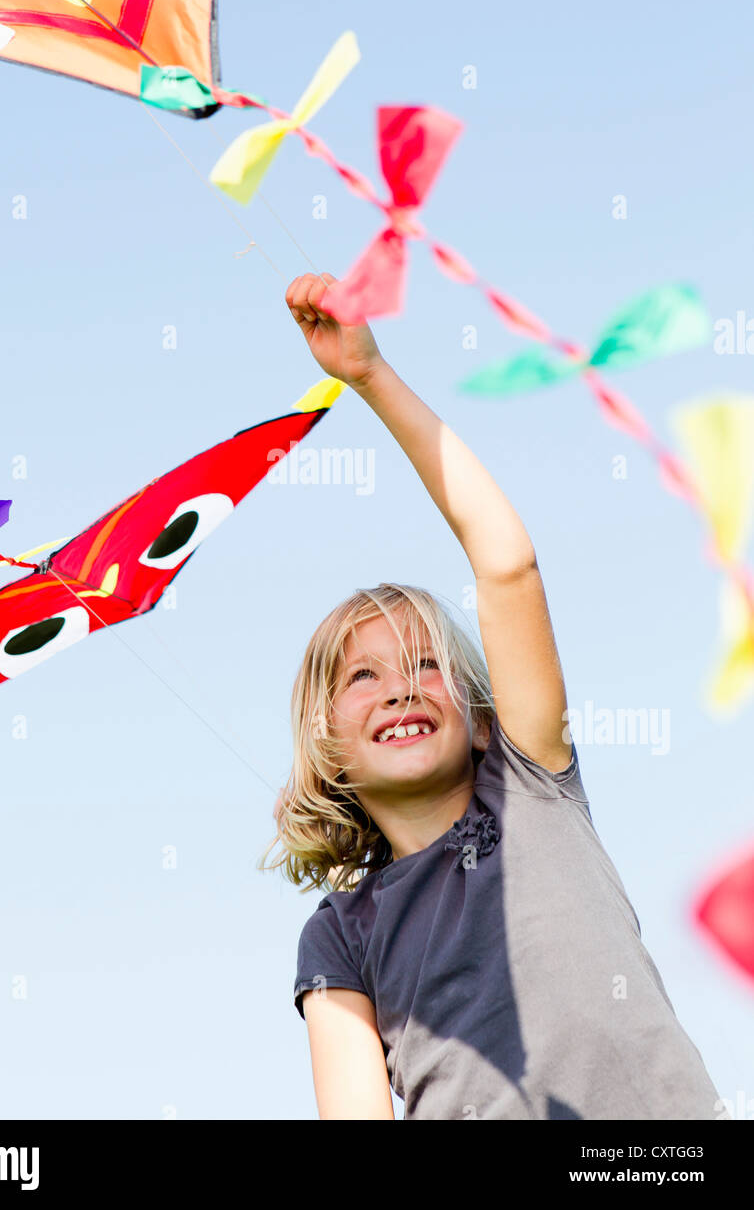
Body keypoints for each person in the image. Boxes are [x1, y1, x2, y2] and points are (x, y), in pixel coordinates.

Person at [264, 271, 722, 1121]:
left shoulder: (531, 783)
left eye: (426, 663)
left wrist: (370, 376)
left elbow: (505, 564)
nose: (401, 686)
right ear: (327, 744)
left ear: (482, 719)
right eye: (364, 676)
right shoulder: (342, 933)